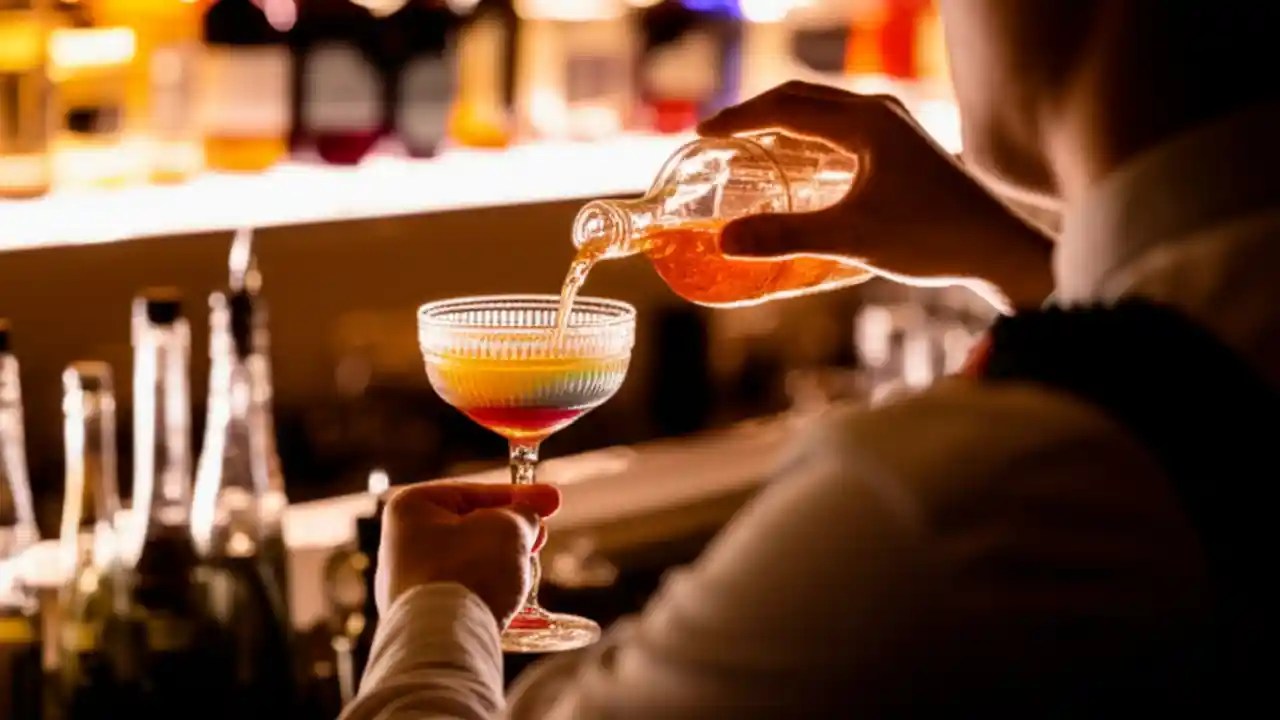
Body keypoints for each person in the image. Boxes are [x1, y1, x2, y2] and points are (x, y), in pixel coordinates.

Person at [344, 1, 1279, 716]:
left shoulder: (945, 501)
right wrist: (1009, 258)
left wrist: (435, 605)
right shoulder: (1221, 323)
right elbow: (1178, 376)